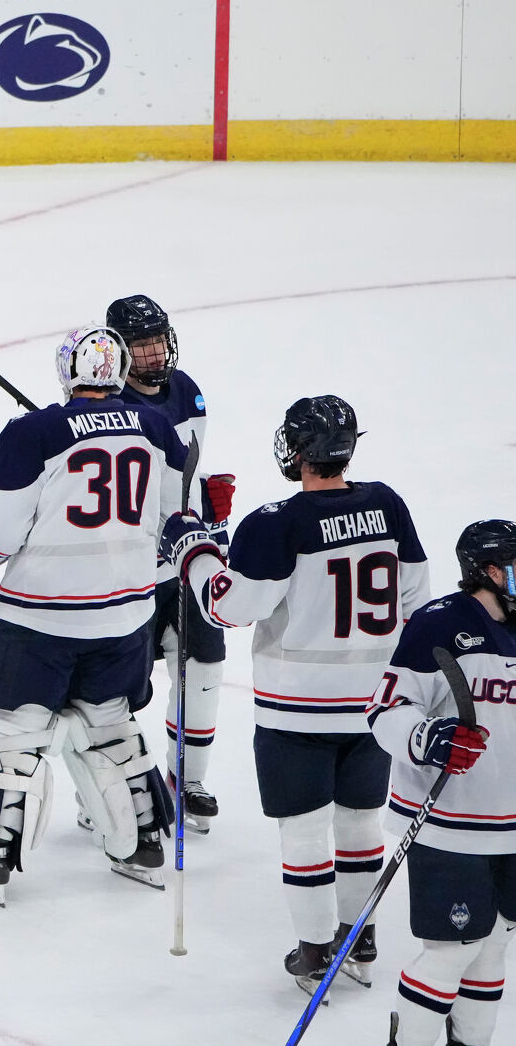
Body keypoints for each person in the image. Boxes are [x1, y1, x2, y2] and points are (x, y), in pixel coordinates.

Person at [164, 395, 431, 993]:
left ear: (300, 450)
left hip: (298, 710)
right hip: (372, 706)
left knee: (305, 831)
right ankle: (358, 938)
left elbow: (230, 606)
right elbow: (415, 597)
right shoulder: (388, 504)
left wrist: (196, 553)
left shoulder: (275, 521)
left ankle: (314, 951)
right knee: (361, 824)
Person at [0, 324, 189, 905]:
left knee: (13, 732)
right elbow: (174, 523)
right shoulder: (159, 428)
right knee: (109, 722)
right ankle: (144, 840)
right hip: (126, 616)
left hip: (42, 619)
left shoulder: (33, 432)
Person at [366, 519, 516, 1046]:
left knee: (493, 944)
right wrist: (428, 737)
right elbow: (385, 710)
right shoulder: (439, 624)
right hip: (448, 823)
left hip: (511, 825)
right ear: (488, 571)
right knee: (452, 950)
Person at [104, 294, 232, 829]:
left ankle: (188, 777)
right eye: (141, 344)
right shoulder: (105, 402)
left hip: (186, 563)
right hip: (128, 570)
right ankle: (111, 788)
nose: (154, 353)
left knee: (204, 666)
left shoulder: (188, 392)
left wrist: (211, 512)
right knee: (114, 688)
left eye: (158, 340)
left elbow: (188, 475)